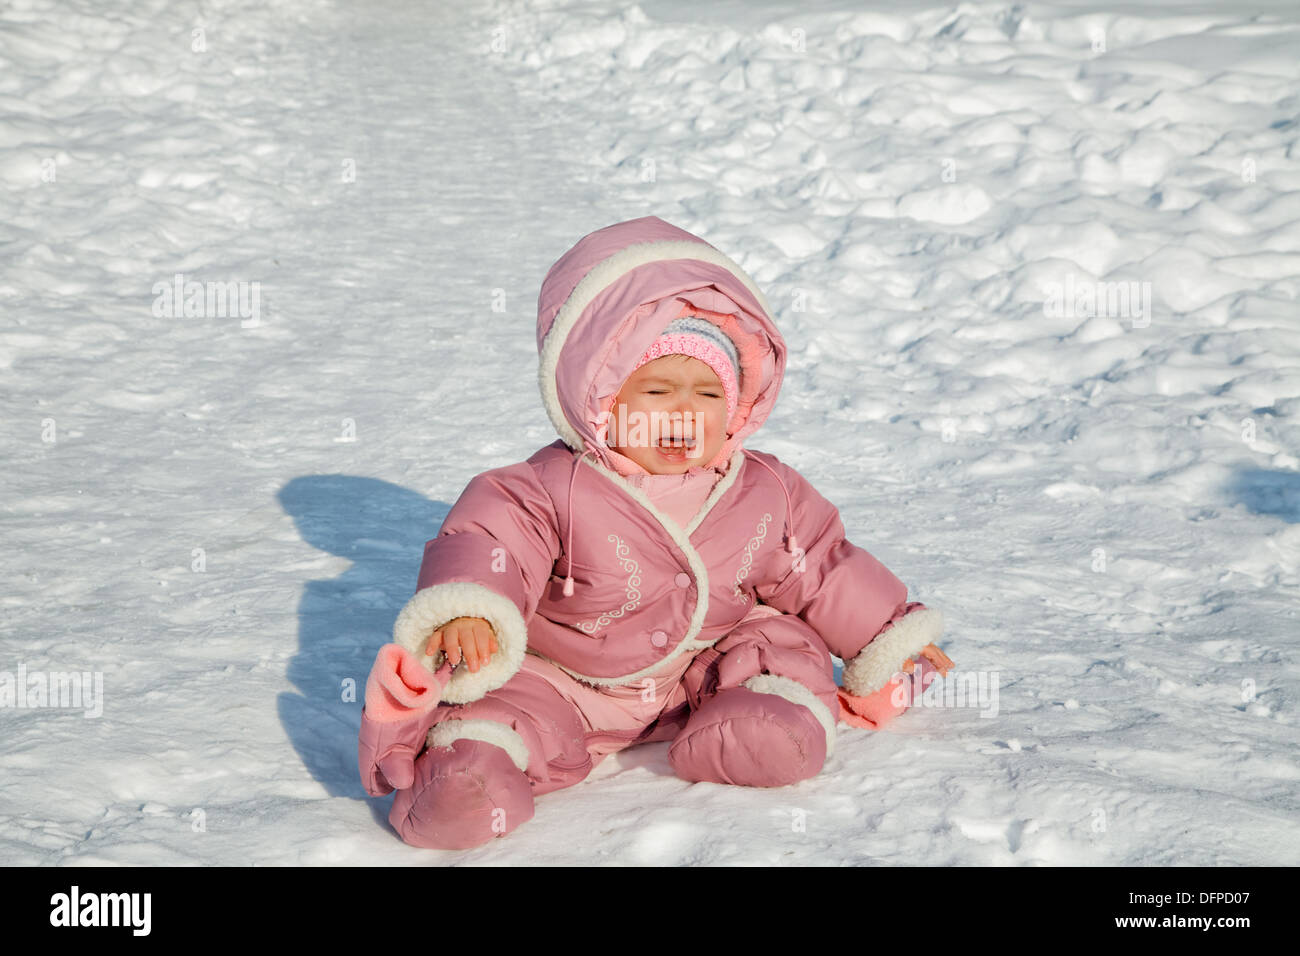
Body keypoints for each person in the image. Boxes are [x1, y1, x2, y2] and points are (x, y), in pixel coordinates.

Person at [358, 215, 951, 850]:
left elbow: (825, 567)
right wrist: (473, 610)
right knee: (501, 707)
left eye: (706, 394)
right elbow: (491, 540)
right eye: (657, 389)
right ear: (600, 399)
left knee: (780, 639)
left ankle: (760, 724)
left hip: (701, 667)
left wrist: (890, 637)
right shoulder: (550, 485)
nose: (683, 414)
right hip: (567, 673)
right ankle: (471, 777)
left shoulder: (763, 491)